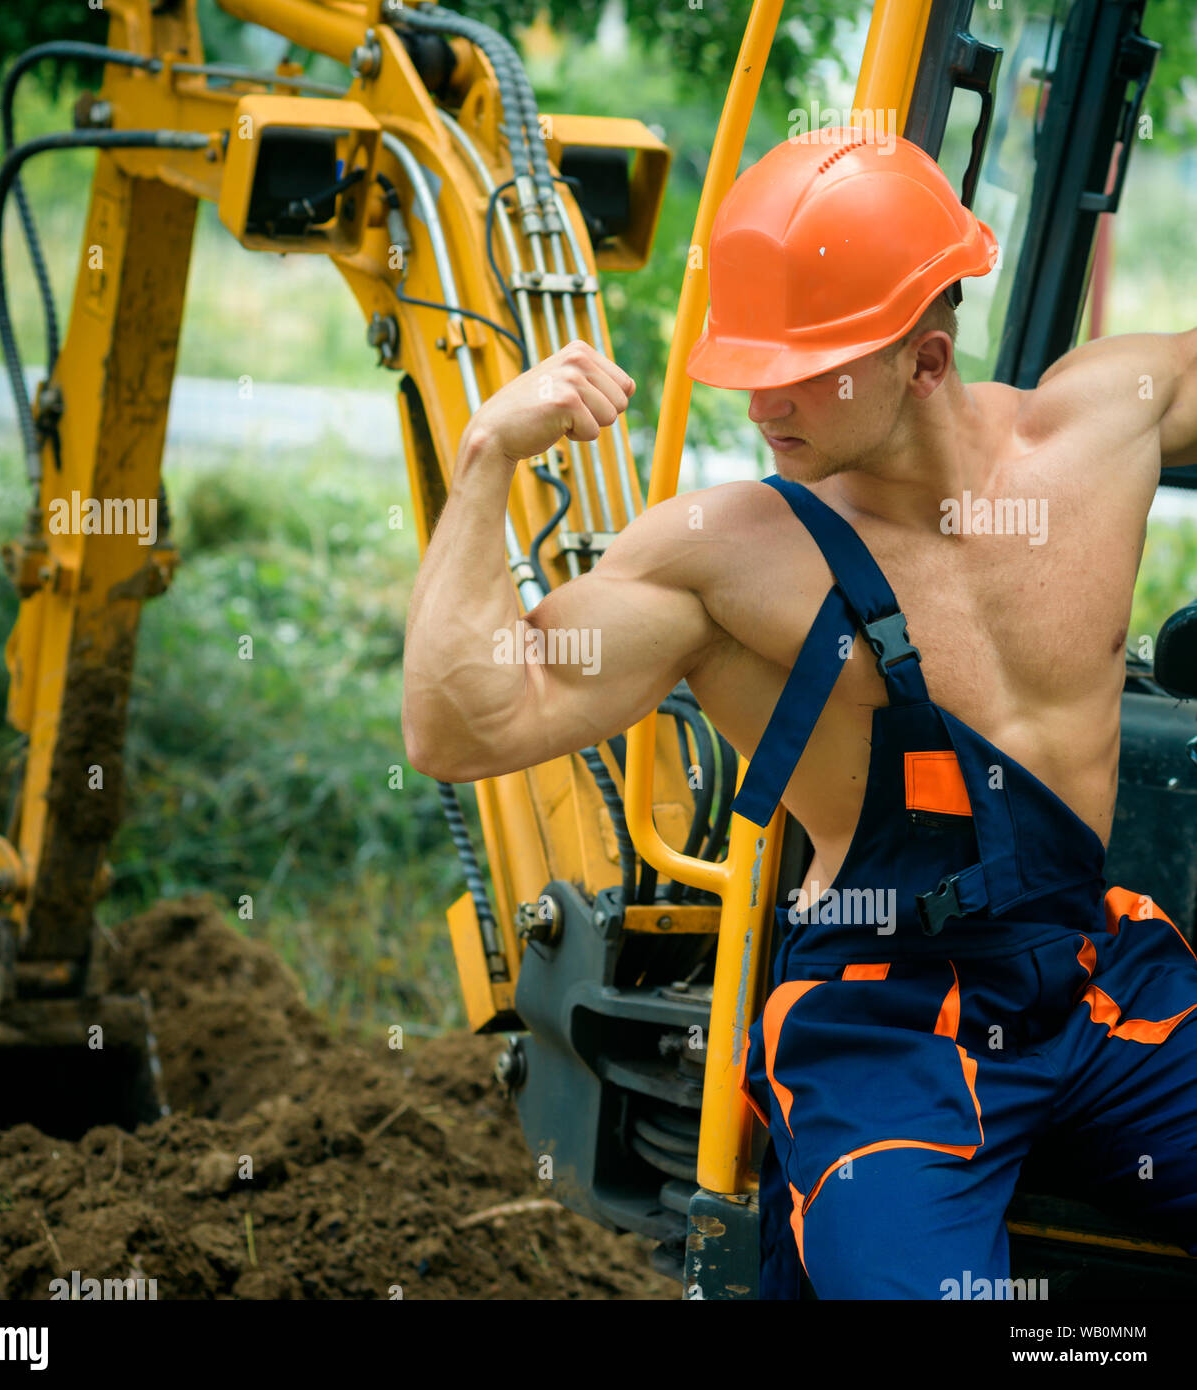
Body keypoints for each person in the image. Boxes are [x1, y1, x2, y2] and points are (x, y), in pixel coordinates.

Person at [402, 128, 1197, 1298]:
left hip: (1094, 977)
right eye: (750, 360)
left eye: (805, 366)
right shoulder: (723, 558)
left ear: (925, 361)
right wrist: (484, 460)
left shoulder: (1101, 428)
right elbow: (459, 728)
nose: (763, 397)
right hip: (889, 1026)